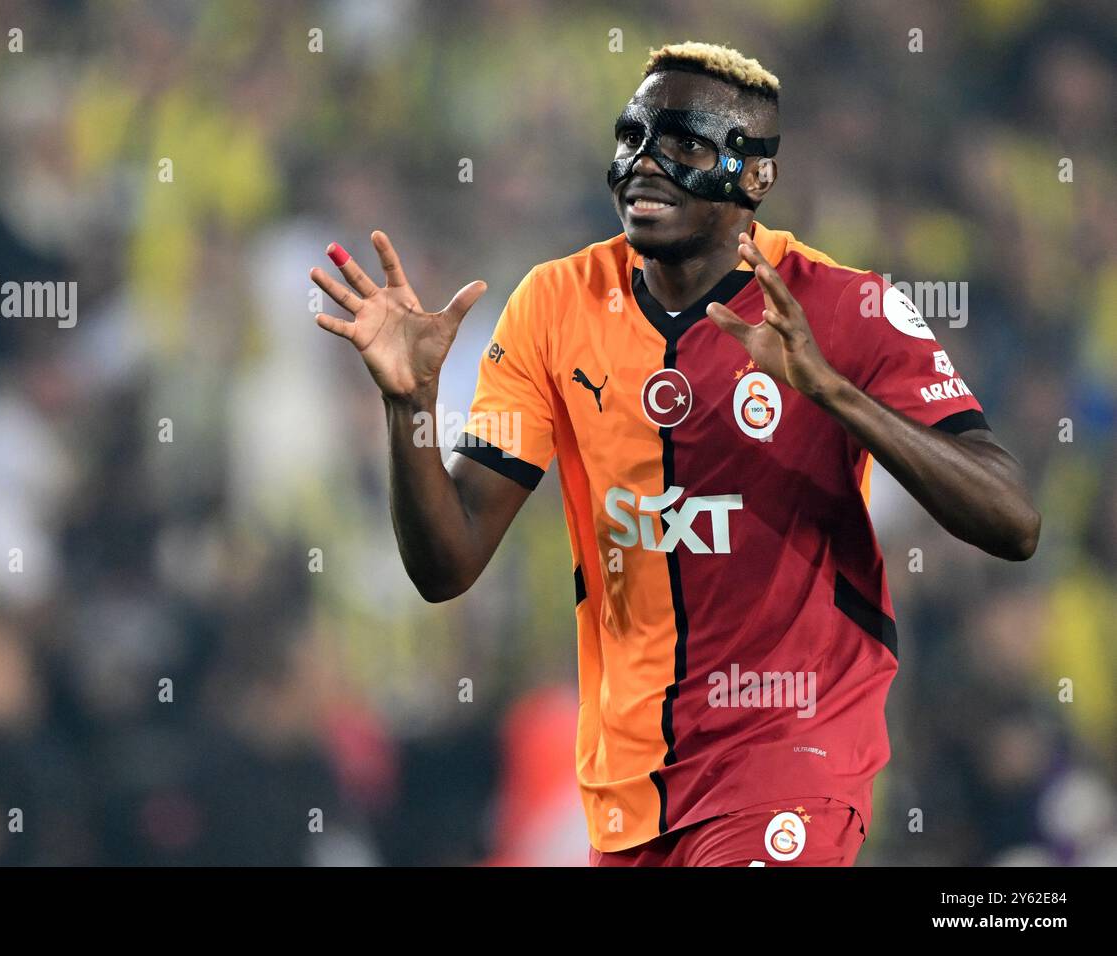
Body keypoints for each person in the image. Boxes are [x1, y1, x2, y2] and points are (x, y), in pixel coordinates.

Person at [309, 41, 1039, 866]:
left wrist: (833, 392)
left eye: (683, 145)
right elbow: (448, 565)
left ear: (754, 177)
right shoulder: (553, 306)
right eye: (630, 138)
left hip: (790, 760)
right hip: (629, 794)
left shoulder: (847, 307)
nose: (641, 165)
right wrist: (410, 406)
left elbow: (1013, 520)